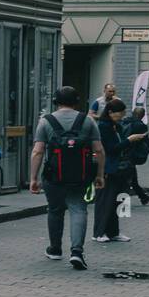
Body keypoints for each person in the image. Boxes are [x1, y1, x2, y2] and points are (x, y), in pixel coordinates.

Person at [30, 86, 105, 270]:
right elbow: (99, 150)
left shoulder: (46, 122)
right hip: (81, 175)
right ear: (76, 101)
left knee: (55, 210)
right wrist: (99, 175)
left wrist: (33, 178)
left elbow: (38, 151)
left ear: (56, 101)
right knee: (79, 209)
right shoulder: (87, 121)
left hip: (54, 176)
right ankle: (77, 252)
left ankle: (55, 249)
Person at [92, 99, 146, 242]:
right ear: (110, 112)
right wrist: (130, 140)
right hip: (108, 167)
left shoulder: (116, 126)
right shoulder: (103, 127)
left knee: (116, 200)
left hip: (120, 167)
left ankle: (113, 232)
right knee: (104, 201)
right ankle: (99, 232)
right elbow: (111, 149)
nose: (122, 116)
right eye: (120, 113)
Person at [123, 106, 149, 205]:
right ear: (143, 115)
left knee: (132, 178)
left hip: (122, 152)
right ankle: (122, 200)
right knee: (129, 178)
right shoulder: (140, 125)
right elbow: (147, 141)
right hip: (131, 154)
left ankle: (143, 197)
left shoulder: (124, 121)